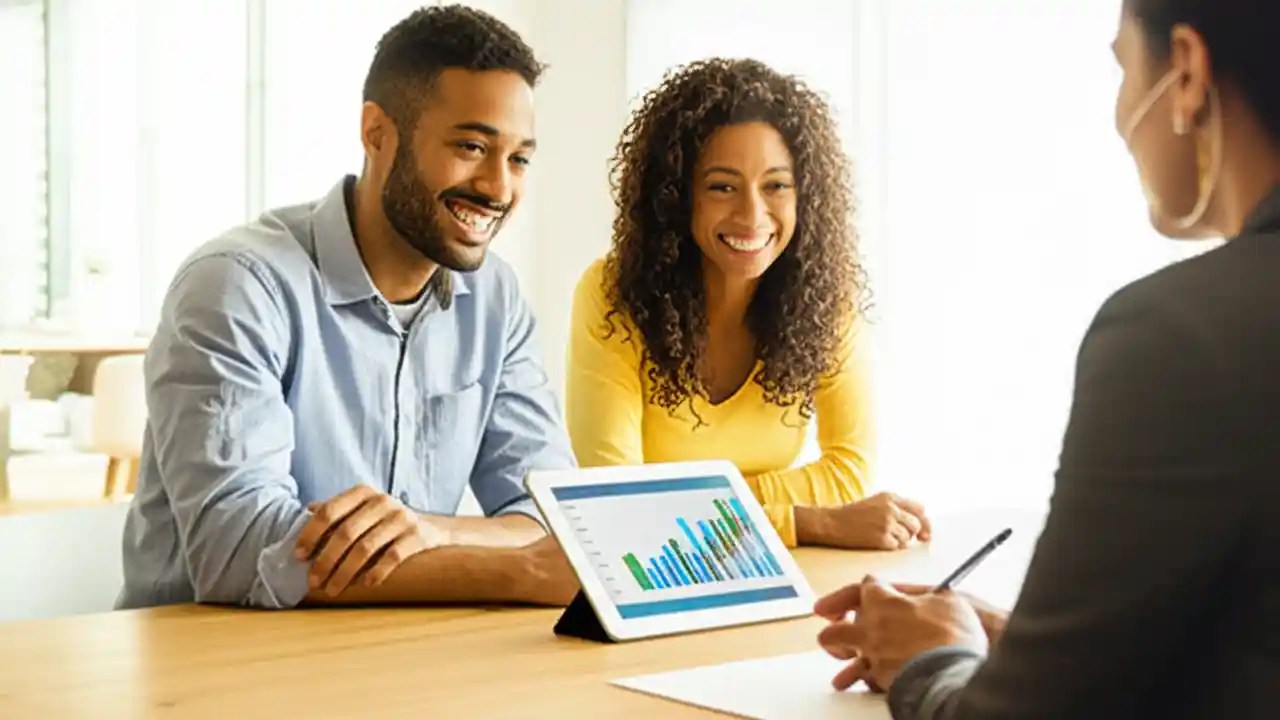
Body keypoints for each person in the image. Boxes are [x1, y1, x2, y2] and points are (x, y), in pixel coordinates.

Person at [814, 1, 1280, 717]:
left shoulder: (1178, 336)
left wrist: (935, 662)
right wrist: (1039, 650)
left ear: (1186, 73)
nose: (1121, 113)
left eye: (1124, 68)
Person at [117, 5, 579, 610]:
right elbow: (237, 550)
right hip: (209, 674)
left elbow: (554, 515)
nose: (499, 187)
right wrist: (512, 573)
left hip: (393, 662)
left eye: (519, 159)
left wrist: (435, 528)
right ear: (377, 134)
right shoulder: (238, 286)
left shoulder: (495, 297)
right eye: (471, 146)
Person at [566, 58, 930, 551]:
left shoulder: (826, 302)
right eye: (722, 187)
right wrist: (806, 521)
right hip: (657, 574)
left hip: (779, 572)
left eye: (776, 186)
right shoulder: (613, 294)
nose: (752, 216)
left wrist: (693, 507)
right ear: (676, 196)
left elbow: (850, 472)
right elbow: (619, 502)